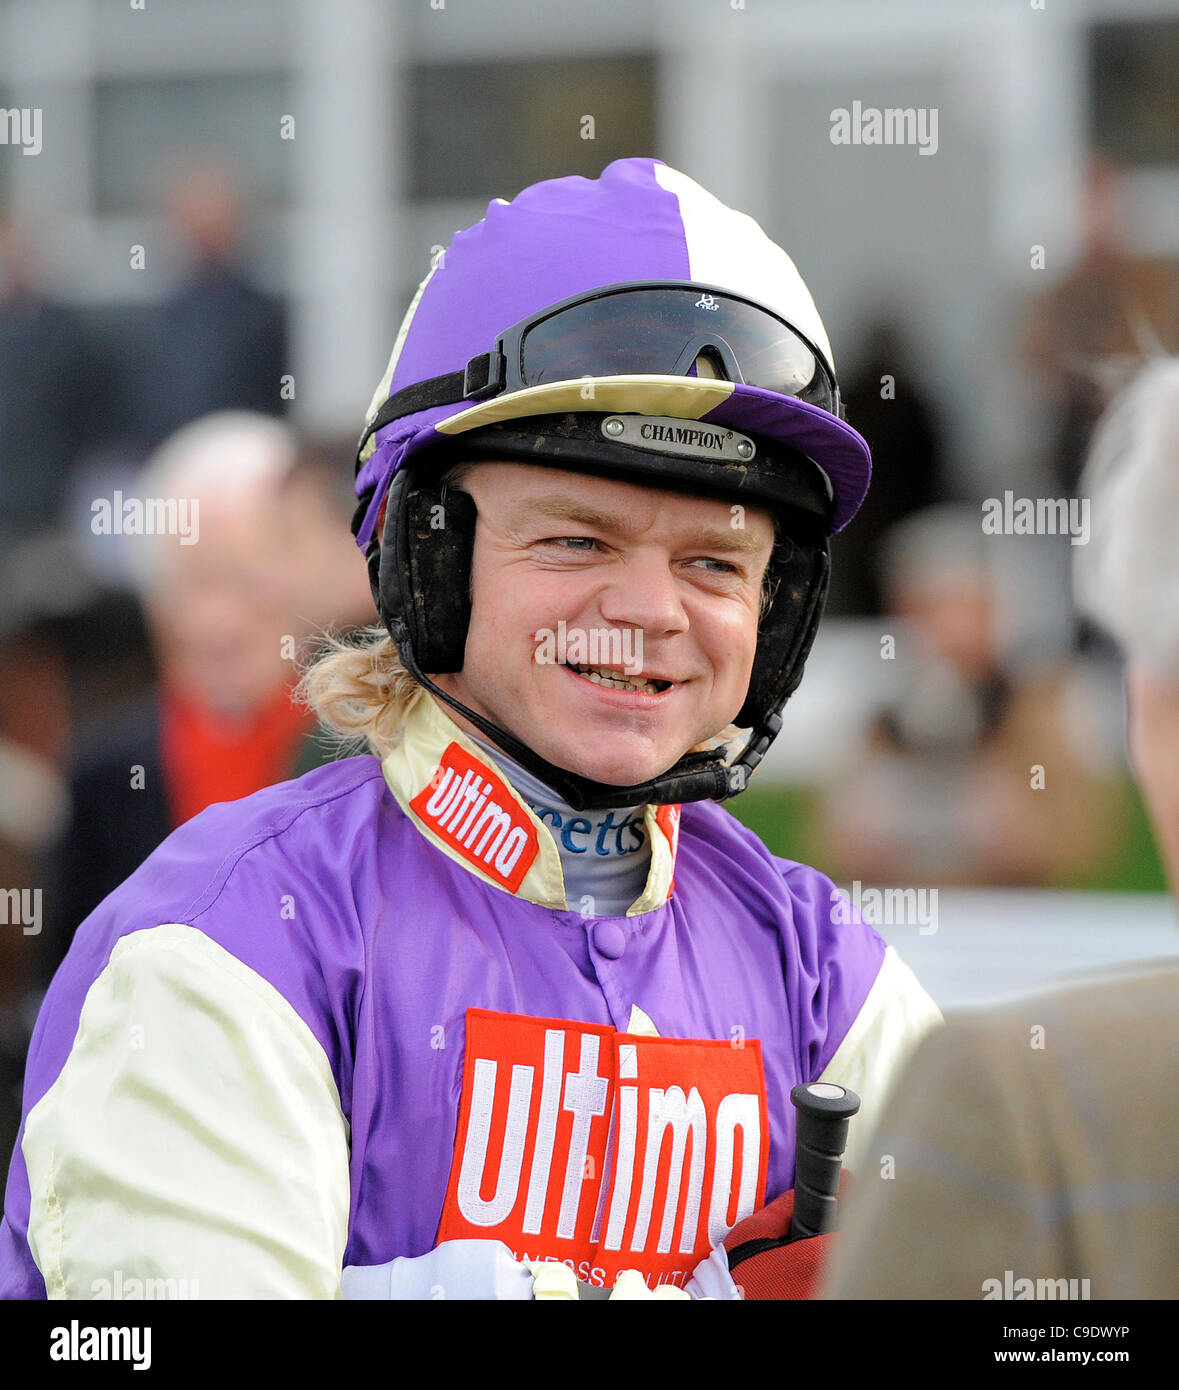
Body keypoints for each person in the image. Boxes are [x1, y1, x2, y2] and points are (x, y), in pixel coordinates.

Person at [0, 158, 940, 1301]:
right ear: (428, 557)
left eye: (714, 562)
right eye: (579, 540)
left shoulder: (825, 971)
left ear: (776, 615)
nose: (652, 611)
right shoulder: (218, 948)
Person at [820, 356, 1179, 1301]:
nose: (936, 624)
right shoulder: (885, 715)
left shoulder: (1034, 707)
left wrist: (1002, 823)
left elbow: (1077, 835)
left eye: (953, 603)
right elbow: (832, 844)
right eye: (920, 606)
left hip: (1023, 980)